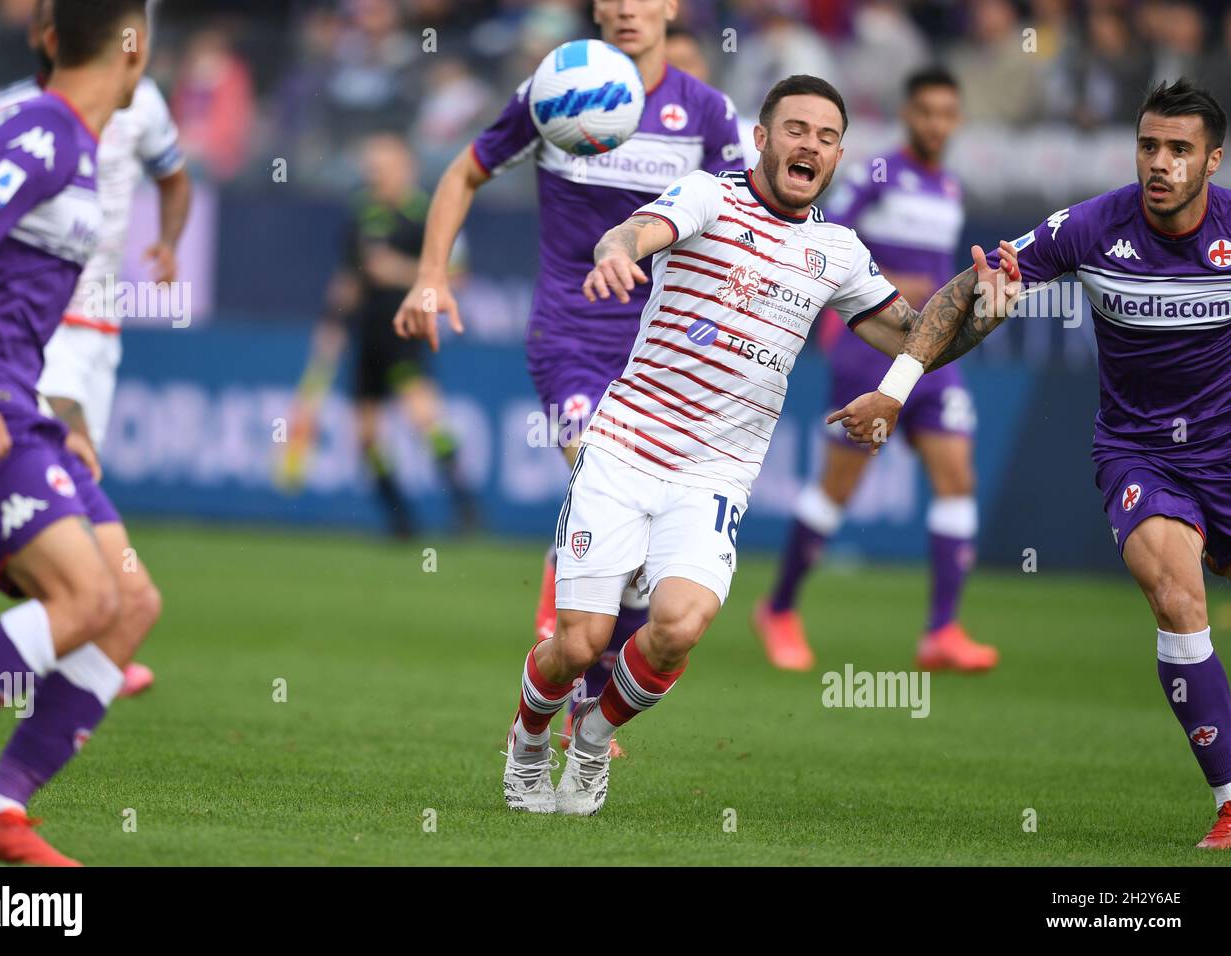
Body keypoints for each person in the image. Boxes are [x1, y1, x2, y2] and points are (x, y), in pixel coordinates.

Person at [501, 74, 1020, 814]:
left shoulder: (838, 251)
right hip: (623, 447)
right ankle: (525, 740)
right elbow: (635, 233)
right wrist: (617, 250)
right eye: (797, 129)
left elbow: (914, 338)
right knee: (580, 644)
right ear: (763, 138)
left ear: (839, 154)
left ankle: (590, 738)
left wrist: (985, 308)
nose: (810, 144)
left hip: (714, 474)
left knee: (676, 629)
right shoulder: (708, 196)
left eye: (827, 136)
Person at [834, 79, 1231, 850]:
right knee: (1176, 596)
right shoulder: (1090, 226)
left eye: (1180, 150)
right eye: (1149, 145)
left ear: (1212, 160)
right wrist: (899, 385)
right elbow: (970, 294)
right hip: (1141, 451)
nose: (1160, 163)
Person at [394, 1, 743, 754]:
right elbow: (462, 173)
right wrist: (430, 276)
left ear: (670, 8)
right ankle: (581, 682)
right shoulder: (553, 87)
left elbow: (746, 221)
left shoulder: (709, 114)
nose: (626, 8)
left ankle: (583, 653)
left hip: (665, 358)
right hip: (569, 341)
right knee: (596, 477)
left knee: (647, 545)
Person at [0, 0, 153, 866]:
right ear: (136, 51)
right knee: (85, 599)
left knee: (129, 603)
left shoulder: (71, 143)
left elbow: (13, 296)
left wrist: (62, 422)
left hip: (21, 407)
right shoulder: (43, 132)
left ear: (47, 36)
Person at [0, 0, 190, 699]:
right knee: (88, 584)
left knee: (111, 589)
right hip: (1, 367)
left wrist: (167, 242)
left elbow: (175, 177)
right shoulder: (23, 127)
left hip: (48, 355)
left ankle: (76, 632)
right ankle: (77, 625)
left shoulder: (103, 131)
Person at [756, 66, 997, 673]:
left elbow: (942, 275)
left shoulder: (949, 188)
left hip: (927, 352)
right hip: (869, 348)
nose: (936, 125)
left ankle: (941, 629)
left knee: (957, 477)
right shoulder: (879, 172)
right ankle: (779, 607)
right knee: (840, 486)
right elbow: (829, 233)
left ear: (957, 120)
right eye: (925, 112)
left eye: (947, 113)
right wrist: (896, 282)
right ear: (906, 115)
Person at [315, 132, 477, 537]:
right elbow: (347, 279)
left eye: (382, 169)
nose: (374, 177)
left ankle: (465, 507)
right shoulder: (360, 213)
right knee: (366, 437)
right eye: (370, 169)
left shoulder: (429, 215)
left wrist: (400, 271)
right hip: (365, 332)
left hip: (405, 331)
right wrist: (331, 324)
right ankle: (401, 521)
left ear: (405, 168)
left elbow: (457, 278)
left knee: (424, 418)